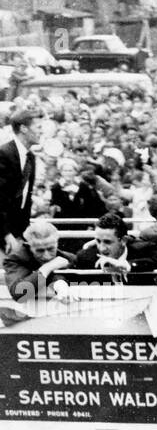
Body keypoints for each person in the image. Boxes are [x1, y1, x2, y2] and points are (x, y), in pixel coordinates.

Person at [3, 217, 74, 302]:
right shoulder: (15, 259)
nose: (47, 256)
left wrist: (60, 284)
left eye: (51, 249)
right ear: (29, 246)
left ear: (57, 244)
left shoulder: (69, 258)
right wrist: (48, 267)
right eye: (40, 250)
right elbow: (19, 293)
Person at [0, 107, 37, 250]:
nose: (42, 131)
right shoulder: (4, 154)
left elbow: (26, 199)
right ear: (24, 128)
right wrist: (6, 234)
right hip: (5, 236)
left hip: (19, 235)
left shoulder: (30, 157)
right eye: (38, 127)